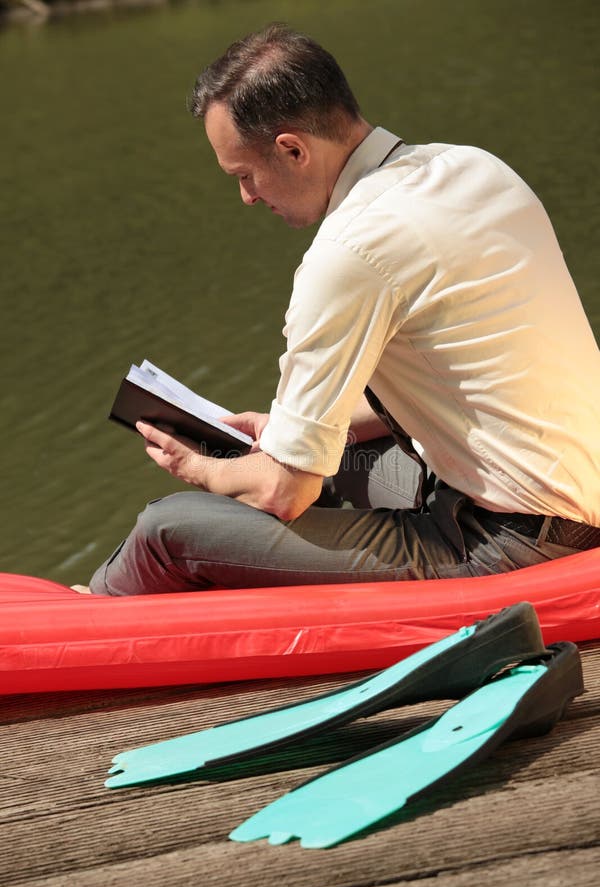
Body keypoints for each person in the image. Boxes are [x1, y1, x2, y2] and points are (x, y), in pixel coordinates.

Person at [83, 24, 600, 596]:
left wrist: (200, 468)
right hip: (574, 498)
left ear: (293, 149)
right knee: (341, 458)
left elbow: (285, 491)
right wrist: (292, 432)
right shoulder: (473, 168)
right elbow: (472, 375)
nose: (248, 197)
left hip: (514, 541)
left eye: (245, 175)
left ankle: (82, 627)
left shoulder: (350, 252)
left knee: (166, 530)